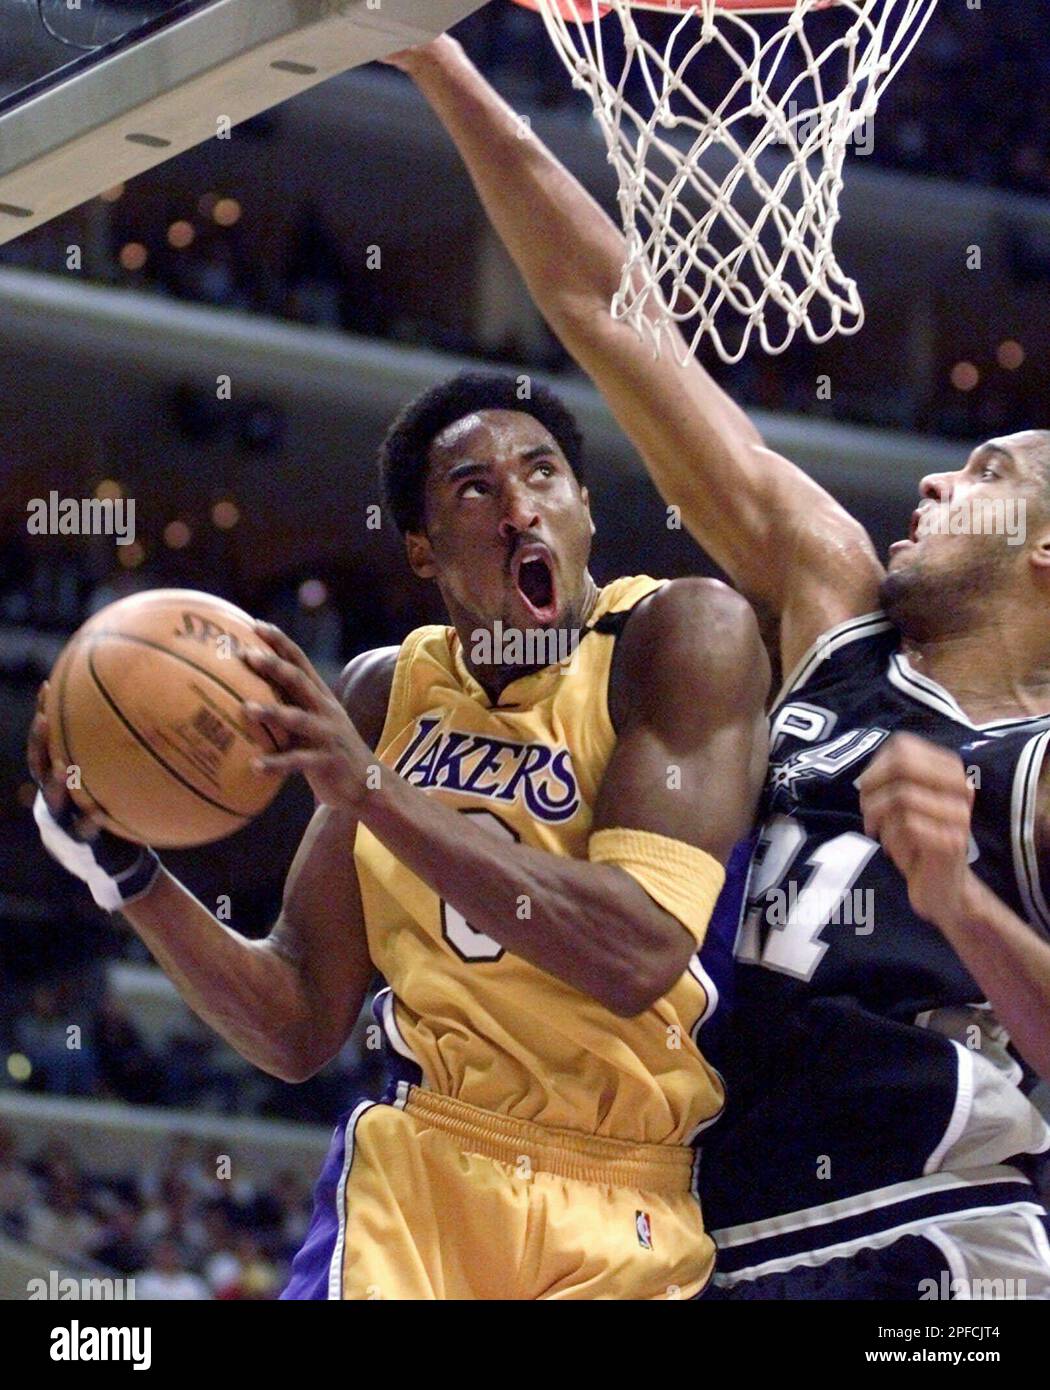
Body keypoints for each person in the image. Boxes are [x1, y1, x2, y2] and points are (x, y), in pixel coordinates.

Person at [389, 34, 1050, 1299]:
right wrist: (431, 57)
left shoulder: (1035, 771)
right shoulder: (834, 606)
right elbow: (604, 312)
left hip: (930, 1238)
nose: (935, 478)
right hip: (697, 1243)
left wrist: (962, 901)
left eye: (986, 477)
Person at [29, 369, 768, 1300]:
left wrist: (374, 789)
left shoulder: (682, 636)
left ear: (584, 509)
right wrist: (125, 873)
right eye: (476, 487)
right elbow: (296, 1020)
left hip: (624, 1197)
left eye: (544, 476)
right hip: (419, 1177)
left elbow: (637, 949)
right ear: (421, 551)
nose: (519, 509)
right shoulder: (387, 693)